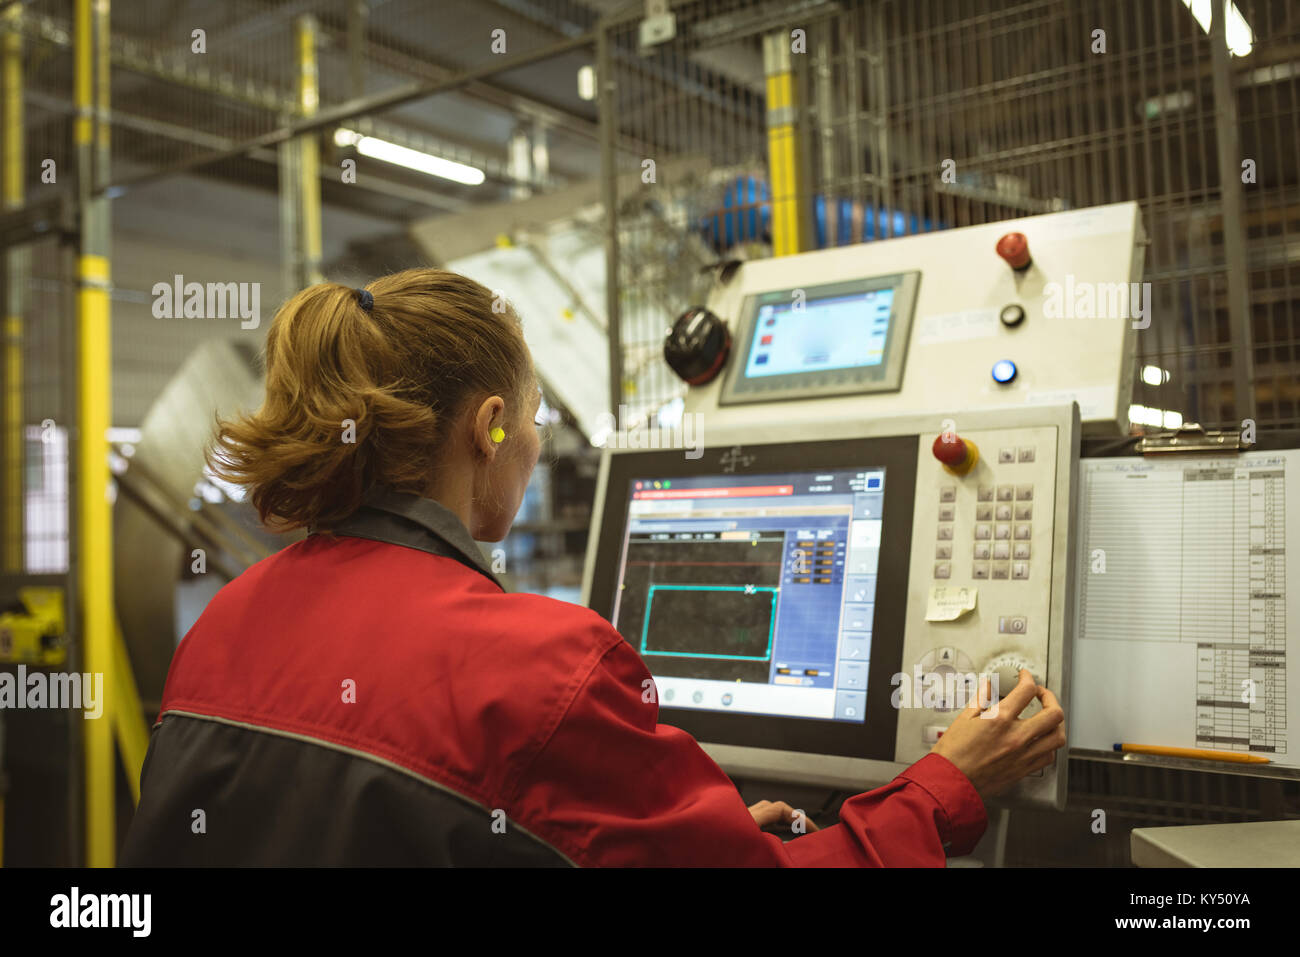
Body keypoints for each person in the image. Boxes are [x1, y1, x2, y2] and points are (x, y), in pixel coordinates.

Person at [120, 268, 1066, 867]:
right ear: (490, 427)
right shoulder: (541, 669)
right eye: (530, 415)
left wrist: (690, 831)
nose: (532, 441)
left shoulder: (225, 624)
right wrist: (944, 786)